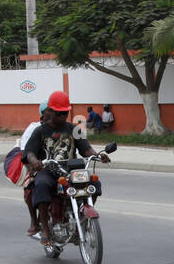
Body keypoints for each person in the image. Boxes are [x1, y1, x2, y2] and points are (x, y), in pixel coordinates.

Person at [21, 90, 110, 248]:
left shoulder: (75, 129)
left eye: (65, 113)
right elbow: (29, 152)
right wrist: (35, 161)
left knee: (94, 184)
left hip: (72, 171)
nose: (63, 116)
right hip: (48, 171)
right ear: (49, 111)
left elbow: (86, 148)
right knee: (41, 185)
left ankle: (82, 221)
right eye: (59, 113)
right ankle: (46, 229)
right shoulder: (40, 131)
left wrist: (97, 155)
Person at [13, 101, 53, 236]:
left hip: (60, 167)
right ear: (43, 113)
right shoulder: (34, 128)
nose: (54, 113)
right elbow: (25, 151)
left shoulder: (63, 127)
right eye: (50, 110)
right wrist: (32, 166)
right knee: (30, 186)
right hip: (39, 166)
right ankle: (34, 221)